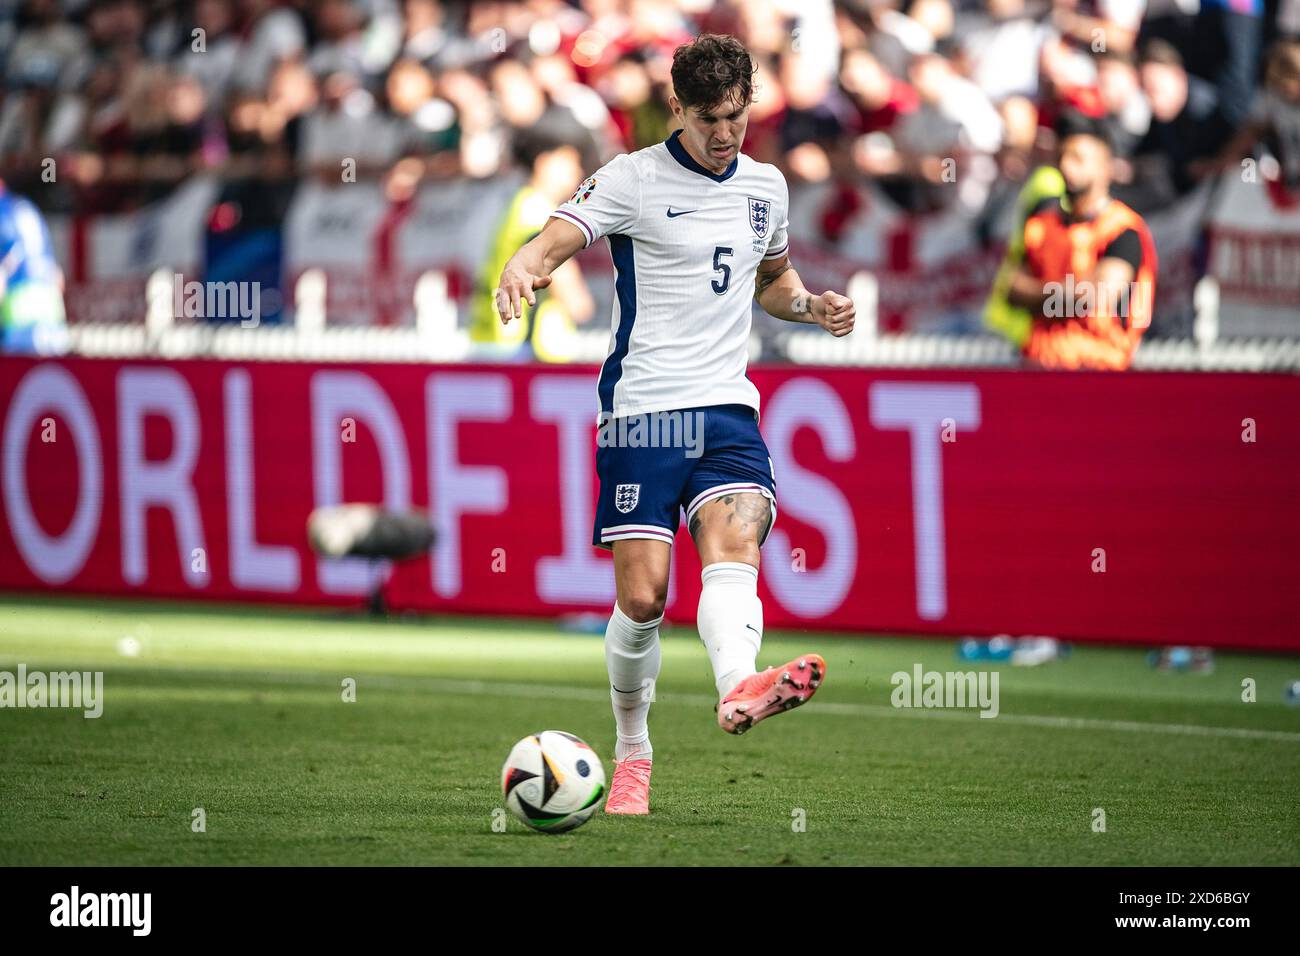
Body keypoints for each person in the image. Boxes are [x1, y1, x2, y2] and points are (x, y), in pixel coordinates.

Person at [493, 34, 855, 815]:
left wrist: (813, 304)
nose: (726, 133)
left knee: (736, 543)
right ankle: (633, 754)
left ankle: (739, 689)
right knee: (646, 600)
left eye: (737, 115)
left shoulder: (766, 186)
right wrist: (526, 264)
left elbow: (773, 280)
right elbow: (558, 237)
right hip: (644, 413)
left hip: (728, 404)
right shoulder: (632, 179)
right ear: (678, 108)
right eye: (710, 118)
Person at [1009, 113, 1157, 370]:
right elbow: (1013, 290)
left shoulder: (1123, 230)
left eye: (1078, 158)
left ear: (1105, 167)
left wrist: (1039, 296)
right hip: (1037, 367)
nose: (1066, 167)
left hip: (1097, 374)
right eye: (1061, 157)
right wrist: (1065, 296)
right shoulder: (1043, 223)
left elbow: (1094, 297)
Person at [470, 127, 594, 362]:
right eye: (569, 163)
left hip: (501, 342)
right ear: (544, 163)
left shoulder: (519, 206)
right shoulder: (538, 213)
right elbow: (572, 298)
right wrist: (578, 301)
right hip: (526, 350)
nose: (577, 172)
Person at [0, 179, 67, 354]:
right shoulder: (26, 207)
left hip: (19, 314)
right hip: (51, 306)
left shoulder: (3, 212)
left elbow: (10, 259)